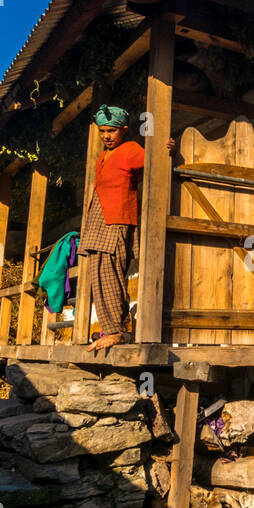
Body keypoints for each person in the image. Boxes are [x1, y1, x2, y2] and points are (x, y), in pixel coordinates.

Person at [79, 104, 175, 352]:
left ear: (123, 129)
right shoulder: (103, 156)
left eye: (111, 131)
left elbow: (155, 158)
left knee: (110, 271)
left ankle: (116, 331)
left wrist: (167, 148)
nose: (106, 136)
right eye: (102, 131)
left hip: (117, 219)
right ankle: (111, 328)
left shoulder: (130, 149)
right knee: (98, 271)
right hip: (98, 219)